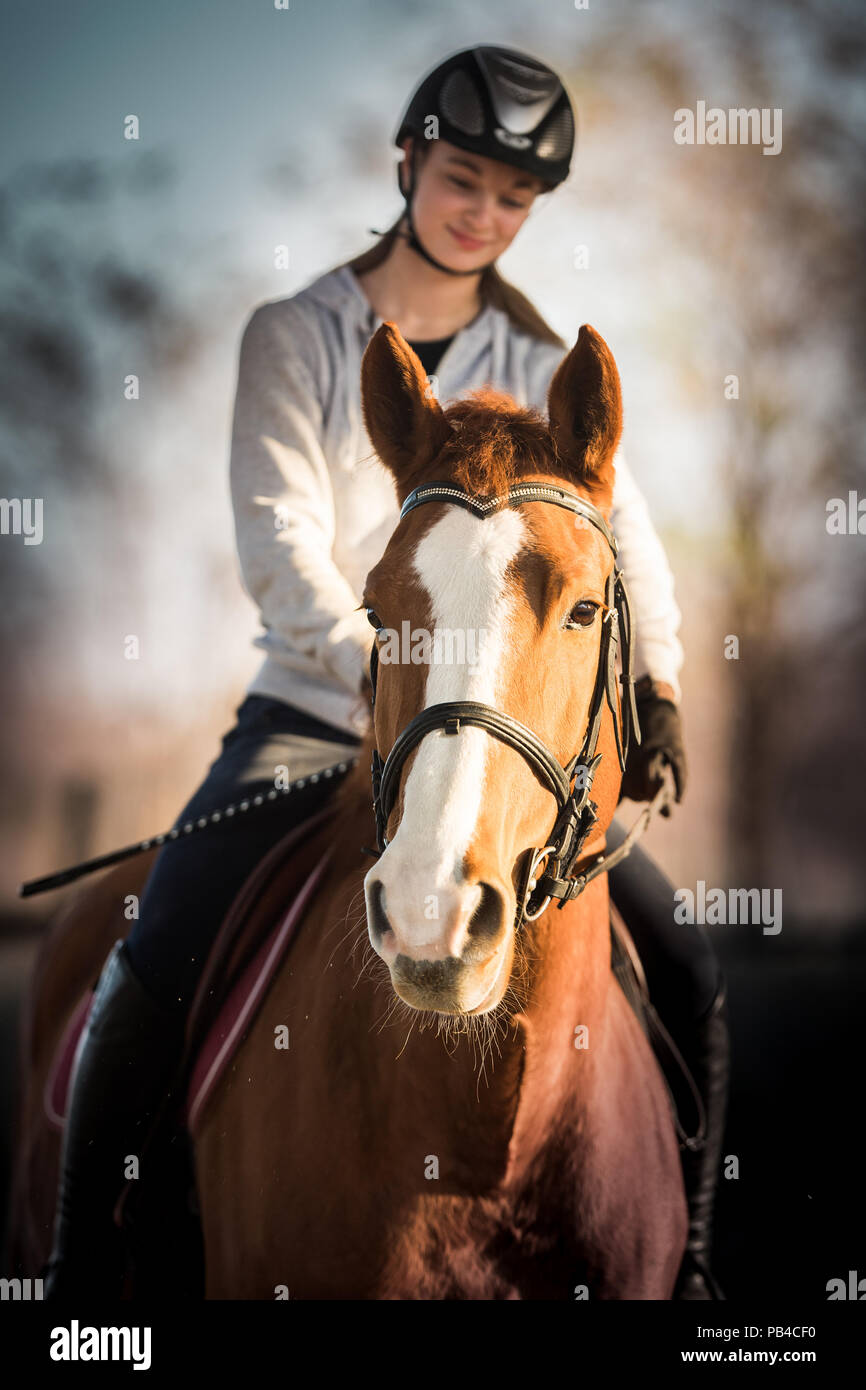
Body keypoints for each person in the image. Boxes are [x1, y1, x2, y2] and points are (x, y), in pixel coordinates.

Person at [43, 45, 728, 1302]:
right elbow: (280, 543)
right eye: (462, 178)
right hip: (319, 710)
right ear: (407, 161)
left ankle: (685, 1271)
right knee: (155, 942)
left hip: (510, 734)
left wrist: (660, 686)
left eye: (513, 199)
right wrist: (400, 679)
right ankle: (83, 1279)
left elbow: (620, 540)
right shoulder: (296, 335)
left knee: (681, 960)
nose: (483, 214)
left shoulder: (536, 358)